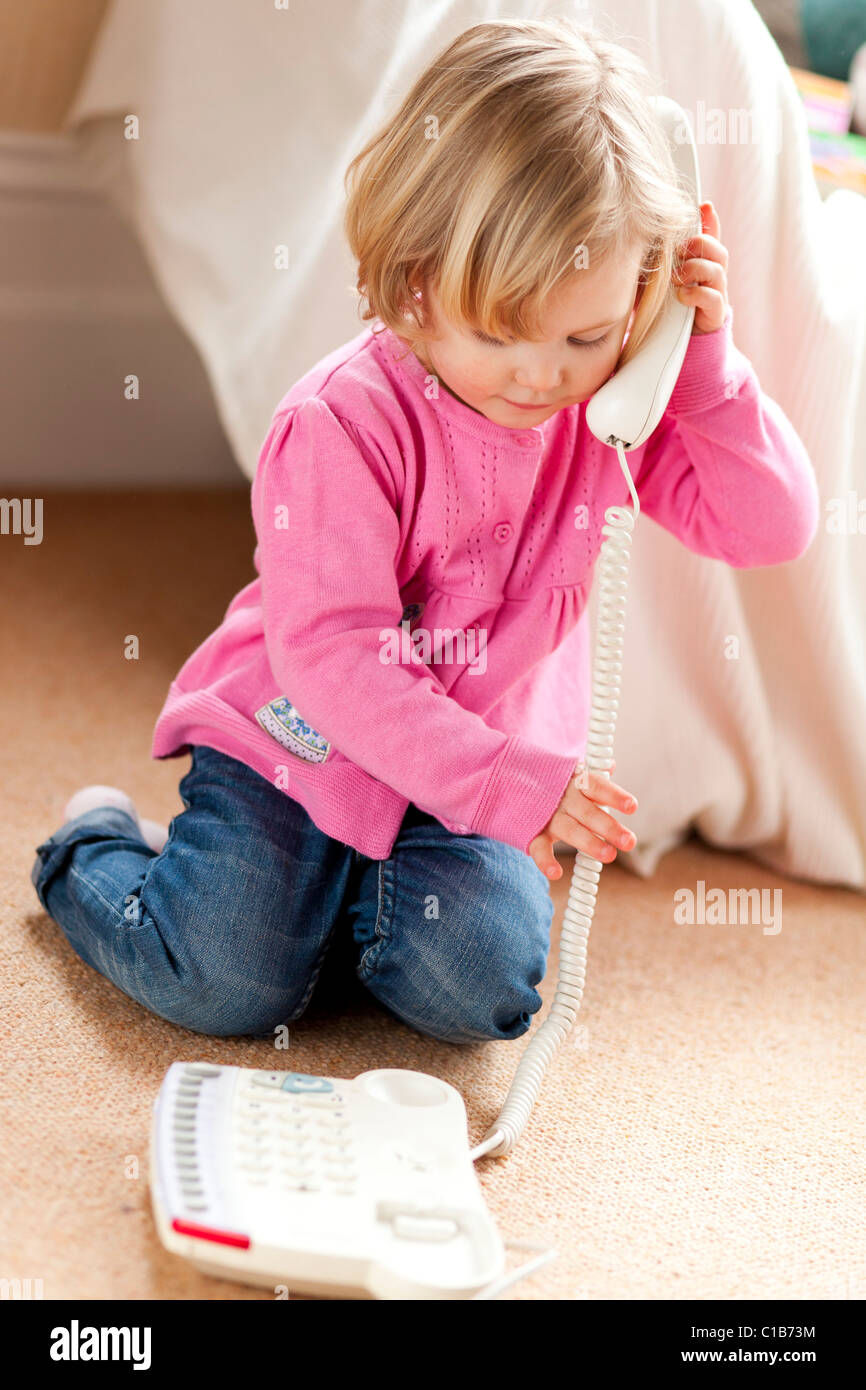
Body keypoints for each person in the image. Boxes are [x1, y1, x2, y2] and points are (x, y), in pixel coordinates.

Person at [31, 17, 818, 1043]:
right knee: (223, 982)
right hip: (299, 745)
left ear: (641, 293)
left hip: (461, 780)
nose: (541, 377)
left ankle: (330, 912)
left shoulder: (608, 411)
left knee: (480, 990)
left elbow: (769, 525)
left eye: (585, 334)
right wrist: (509, 786)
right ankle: (94, 847)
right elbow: (332, 651)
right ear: (413, 283)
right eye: (498, 333)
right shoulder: (340, 421)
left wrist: (700, 364)